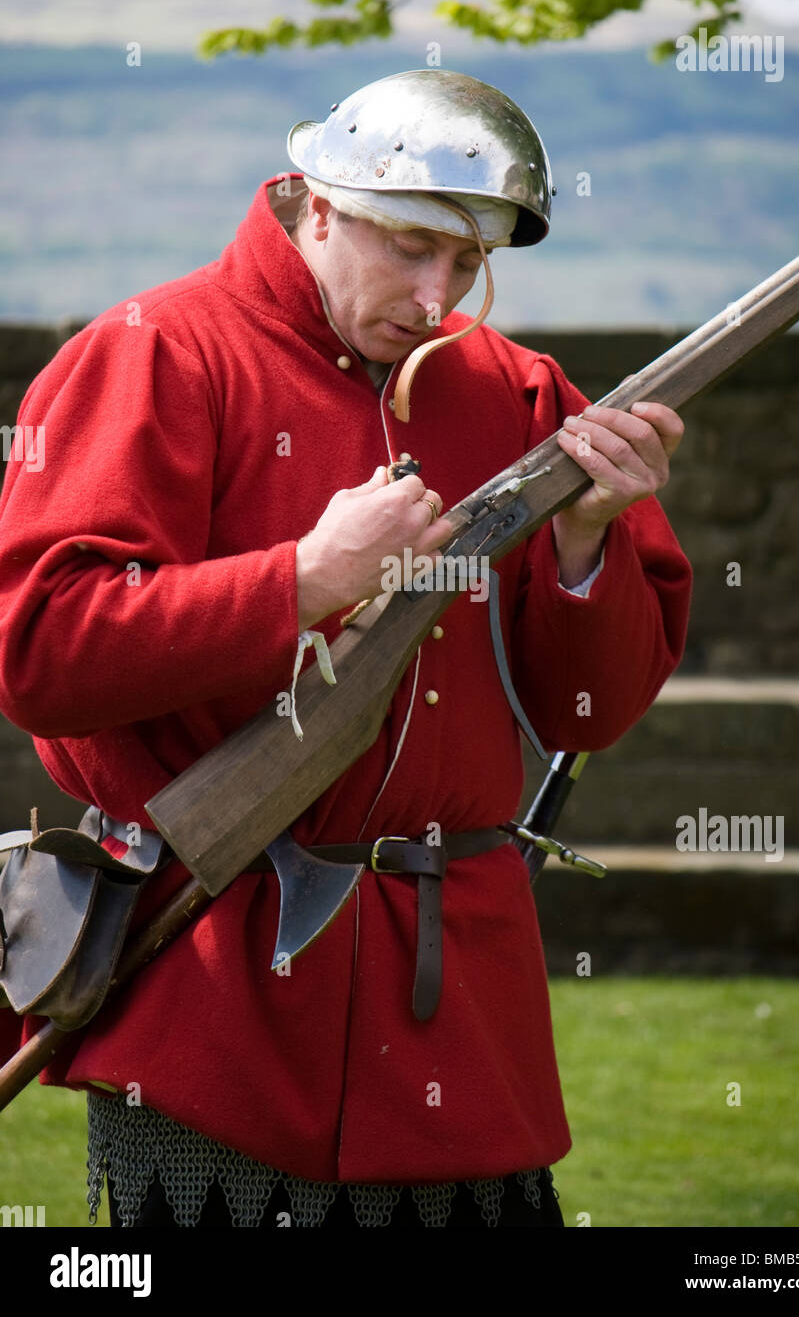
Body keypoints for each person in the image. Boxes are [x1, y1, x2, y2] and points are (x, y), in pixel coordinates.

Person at [0, 69, 692, 1228]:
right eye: (412, 246)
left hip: (466, 1022)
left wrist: (584, 546)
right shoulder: (156, 353)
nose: (438, 298)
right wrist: (303, 581)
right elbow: (39, 649)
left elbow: (586, 716)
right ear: (317, 204)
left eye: (467, 265)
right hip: (211, 1001)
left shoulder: (523, 395)